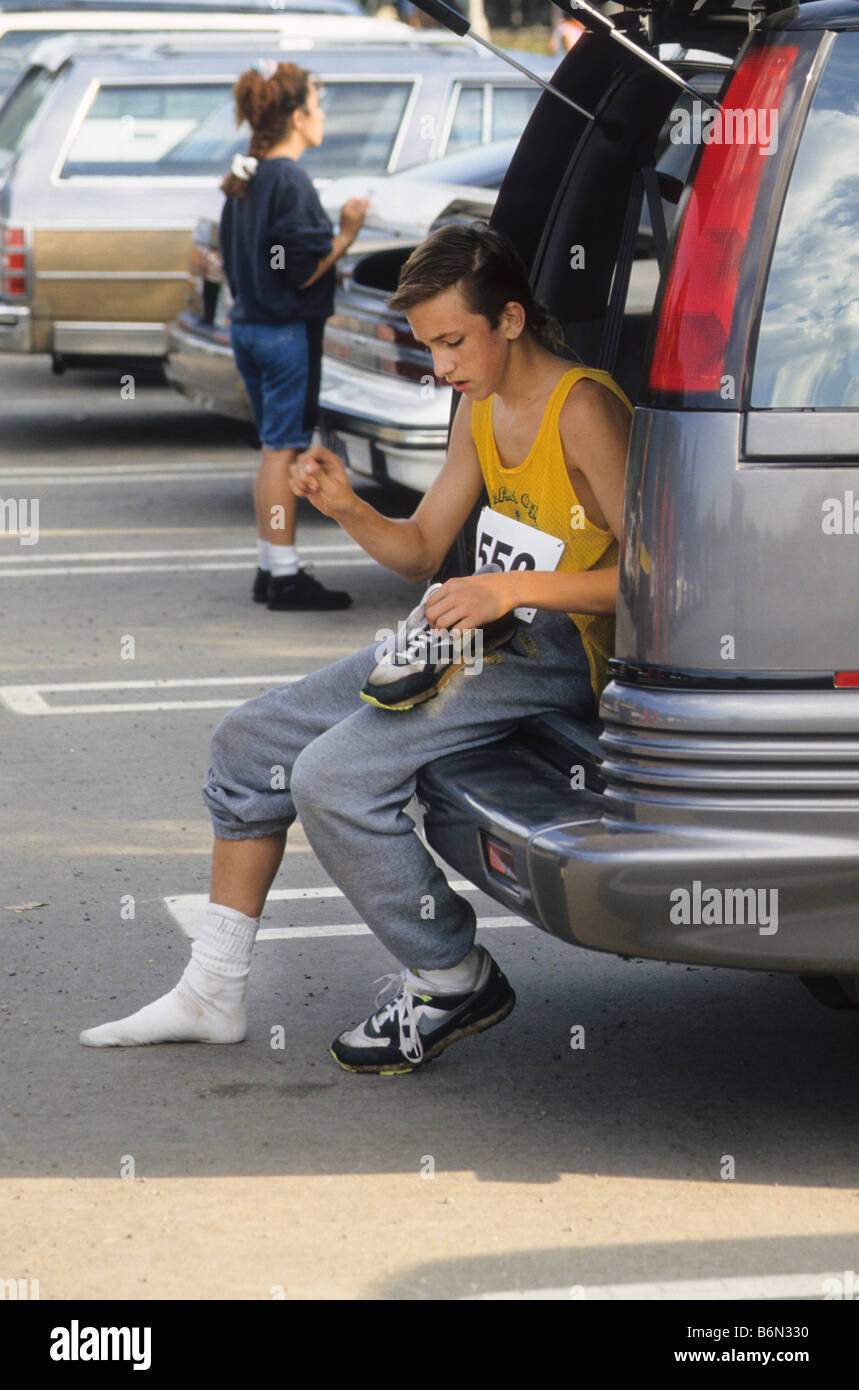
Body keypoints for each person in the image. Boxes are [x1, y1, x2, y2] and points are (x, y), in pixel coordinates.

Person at [80, 223, 633, 1074]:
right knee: (249, 744)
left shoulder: (583, 409)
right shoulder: (479, 409)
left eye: (453, 342)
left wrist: (511, 589)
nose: (440, 366)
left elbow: (656, 581)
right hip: (470, 624)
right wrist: (345, 507)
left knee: (331, 777)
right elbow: (419, 548)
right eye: (429, 347)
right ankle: (213, 989)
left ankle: (451, 973)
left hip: (554, 648)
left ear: (511, 320)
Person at [219, 62, 368, 611]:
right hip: (284, 333)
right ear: (299, 117)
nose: (323, 117)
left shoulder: (249, 173)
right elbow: (302, 269)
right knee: (283, 453)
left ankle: (269, 564)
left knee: (272, 450)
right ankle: (284, 575)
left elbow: (238, 258)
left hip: (249, 329)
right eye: (319, 106)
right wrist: (347, 234)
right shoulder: (291, 178)